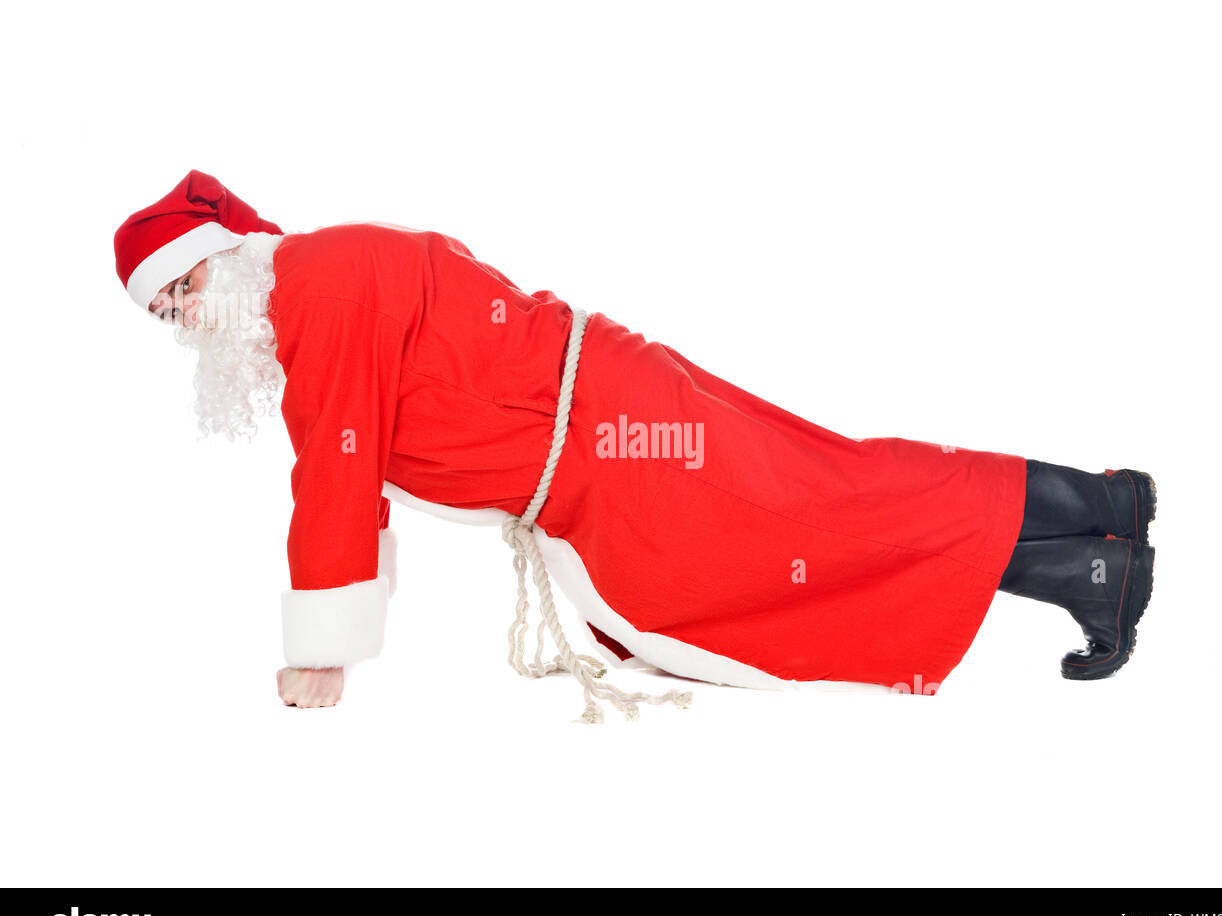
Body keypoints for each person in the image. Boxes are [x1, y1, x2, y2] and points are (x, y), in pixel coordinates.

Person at [113, 170, 1156, 720]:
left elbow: (334, 475)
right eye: (167, 308)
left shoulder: (312, 290)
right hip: (607, 431)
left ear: (228, 252)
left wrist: (321, 652)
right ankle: (1096, 555)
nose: (187, 311)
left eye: (187, 282)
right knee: (827, 498)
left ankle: (1098, 518)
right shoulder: (320, 285)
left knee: (830, 503)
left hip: (617, 444)